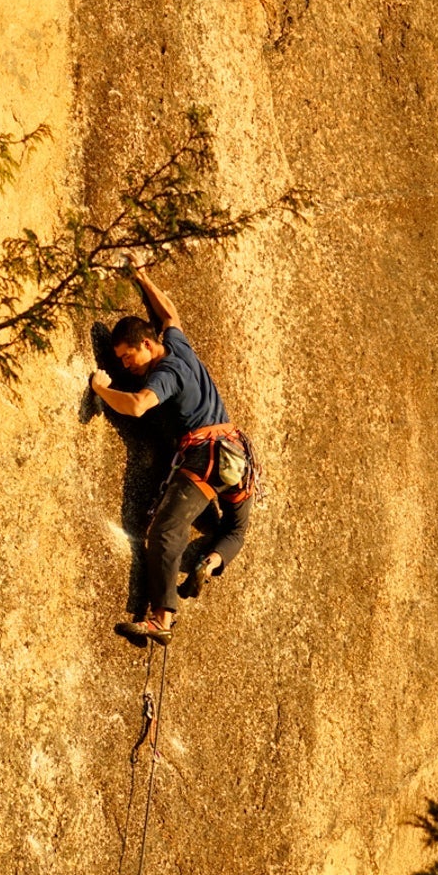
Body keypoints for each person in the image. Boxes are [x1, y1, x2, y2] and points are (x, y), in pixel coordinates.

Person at [89, 263, 253, 645]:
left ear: (147, 345)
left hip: (205, 456)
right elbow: (169, 315)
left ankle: (160, 619)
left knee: (165, 530)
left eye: (128, 357)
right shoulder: (178, 344)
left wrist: (102, 390)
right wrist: (144, 279)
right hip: (238, 457)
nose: (127, 365)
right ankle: (211, 563)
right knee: (235, 528)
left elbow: (137, 406)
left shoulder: (166, 373)